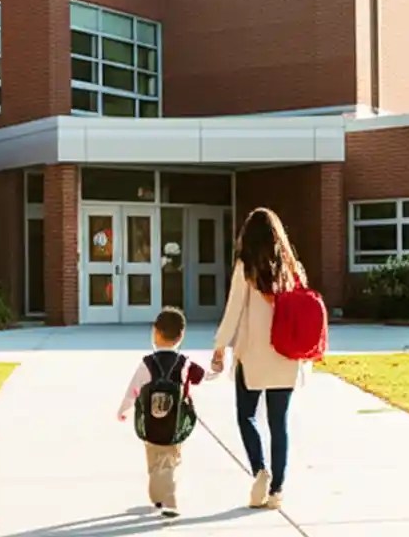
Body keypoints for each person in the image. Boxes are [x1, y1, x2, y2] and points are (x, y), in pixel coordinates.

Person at [211, 207, 310, 510]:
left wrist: (219, 349)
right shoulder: (293, 269)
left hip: (253, 356)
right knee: (279, 423)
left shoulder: (246, 267)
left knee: (246, 416)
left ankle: (260, 470)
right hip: (286, 355)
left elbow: (233, 311)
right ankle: (277, 490)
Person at [118, 307, 216, 518]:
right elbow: (203, 376)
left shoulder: (147, 363)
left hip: (150, 424)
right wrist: (215, 370)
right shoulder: (185, 363)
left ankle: (159, 497)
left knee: (154, 460)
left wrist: (123, 409)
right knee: (171, 459)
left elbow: (133, 389)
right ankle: (169, 498)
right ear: (181, 336)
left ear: (155, 332)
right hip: (175, 423)